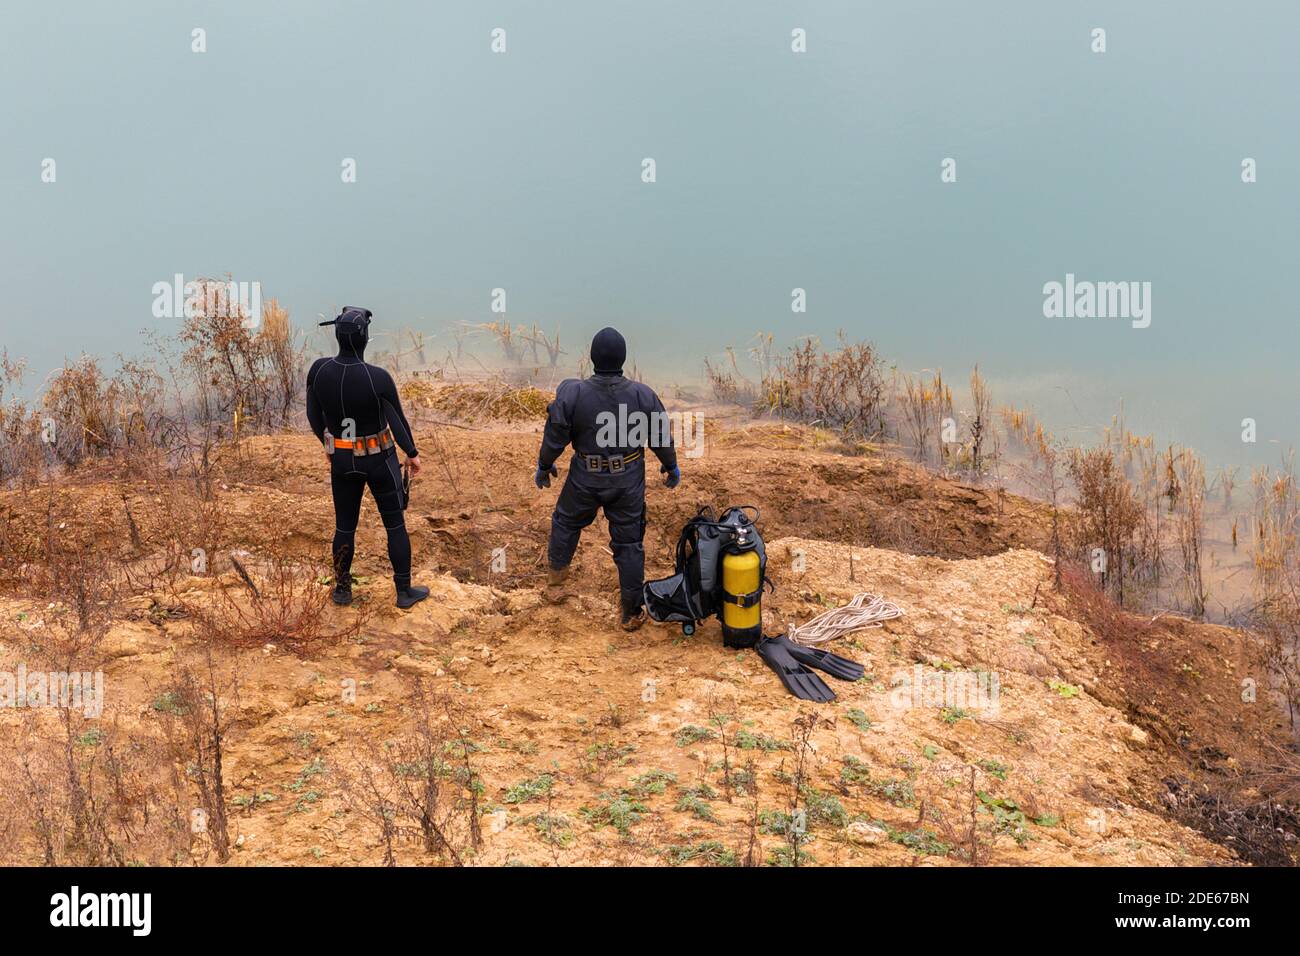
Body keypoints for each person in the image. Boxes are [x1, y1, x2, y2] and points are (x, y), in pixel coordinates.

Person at [535, 327, 681, 630]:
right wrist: (670, 465)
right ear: (623, 358)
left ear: (592, 358)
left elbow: (555, 435)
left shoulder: (572, 392)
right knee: (628, 544)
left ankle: (555, 583)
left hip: (584, 477)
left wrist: (544, 465)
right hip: (626, 479)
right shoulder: (643, 395)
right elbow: (660, 436)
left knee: (565, 523)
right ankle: (630, 611)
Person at [306, 306, 429, 609]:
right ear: (365, 339)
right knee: (395, 526)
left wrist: (327, 443)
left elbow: (312, 414)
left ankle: (343, 591)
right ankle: (403, 592)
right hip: (378, 460)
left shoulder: (319, 371)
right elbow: (397, 421)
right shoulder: (378, 378)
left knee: (345, 527)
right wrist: (412, 454)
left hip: (342, 461)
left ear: (337, 335)